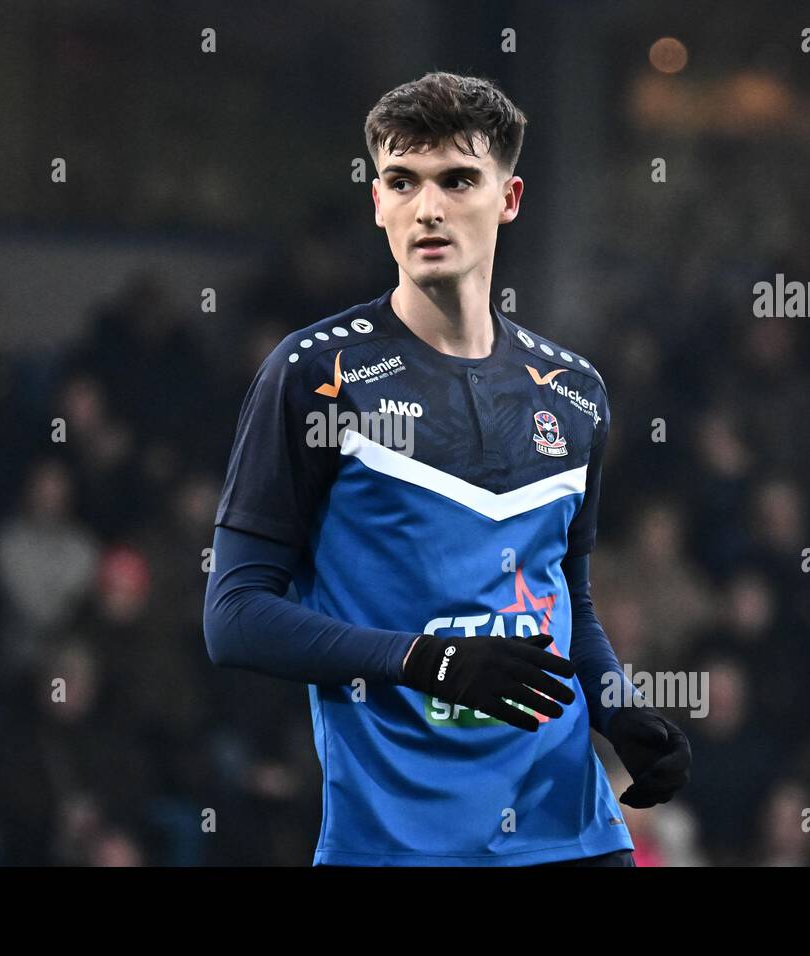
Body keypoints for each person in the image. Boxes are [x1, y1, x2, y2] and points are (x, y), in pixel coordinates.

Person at [203, 71, 690, 866]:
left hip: (571, 834)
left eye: (458, 179)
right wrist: (426, 662)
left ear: (510, 198)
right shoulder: (311, 377)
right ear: (377, 203)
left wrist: (617, 708)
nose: (428, 207)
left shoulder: (574, 393)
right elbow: (233, 617)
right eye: (403, 181)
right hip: (395, 846)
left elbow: (569, 597)